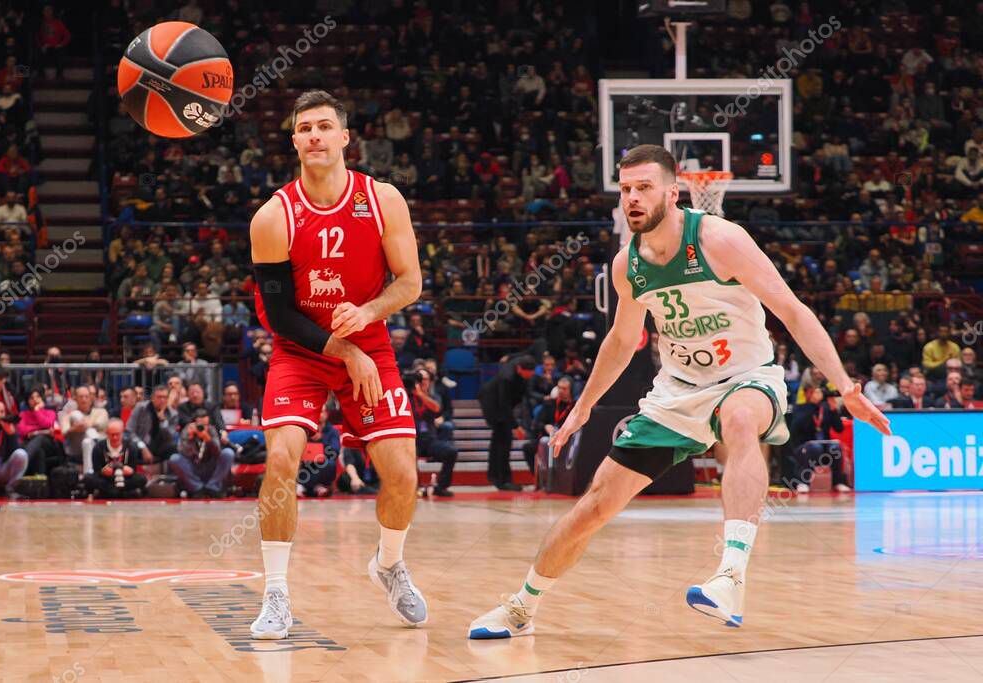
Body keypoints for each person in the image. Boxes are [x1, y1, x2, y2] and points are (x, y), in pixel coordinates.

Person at [468, 144, 890, 638]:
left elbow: (793, 311)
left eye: (644, 187)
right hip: (676, 392)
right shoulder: (628, 265)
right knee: (595, 505)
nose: (632, 198)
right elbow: (623, 340)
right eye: (626, 189)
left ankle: (730, 577)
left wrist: (845, 385)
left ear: (674, 191)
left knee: (737, 422)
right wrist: (582, 407)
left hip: (745, 376)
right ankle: (520, 608)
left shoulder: (721, 240)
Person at [249, 90, 425, 639]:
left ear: (346, 137)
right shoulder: (273, 216)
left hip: (370, 346)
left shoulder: (383, 200)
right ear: (295, 140)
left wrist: (367, 316)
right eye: (305, 129)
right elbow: (279, 316)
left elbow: (411, 284)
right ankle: (276, 593)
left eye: (325, 127)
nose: (316, 137)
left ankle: (389, 564)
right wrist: (343, 349)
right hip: (304, 352)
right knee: (281, 461)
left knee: (401, 473)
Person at [477, 355, 536, 491]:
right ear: (520, 369)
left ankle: (494, 476)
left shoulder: (519, 364)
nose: (531, 375)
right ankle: (503, 481)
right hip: (492, 404)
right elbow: (504, 405)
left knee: (498, 440)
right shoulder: (506, 378)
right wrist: (515, 427)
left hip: (501, 402)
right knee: (504, 440)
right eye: (529, 372)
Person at [790, 387, 849, 493]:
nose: (818, 394)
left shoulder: (826, 409)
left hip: (824, 445)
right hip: (804, 445)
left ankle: (838, 482)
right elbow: (797, 427)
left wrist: (834, 410)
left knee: (835, 447)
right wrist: (811, 407)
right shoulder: (800, 408)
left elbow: (839, 429)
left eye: (819, 392)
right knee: (815, 447)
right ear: (809, 394)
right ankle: (803, 482)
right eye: (815, 392)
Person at [410, 369, 457, 497]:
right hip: (412, 440)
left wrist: (421, 395)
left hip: (429, 439)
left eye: (425, 379)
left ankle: (441, 487)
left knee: (451, 452)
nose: (422, 382)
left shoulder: (434, 396)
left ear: (430, 382)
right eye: (419, 379)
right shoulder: (407, 397)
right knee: (410, 454)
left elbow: (436, 408)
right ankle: (416, 488)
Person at [169, 409, 235, 498]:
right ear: (193, 423)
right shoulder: (187, 431)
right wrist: (190, 438)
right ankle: (197, 488)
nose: (203, 428)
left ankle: (213, 487)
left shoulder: (211, 429)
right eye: (200, 425)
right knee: (175, 459)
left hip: (210, 467)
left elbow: (217, 451)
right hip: (193, 466)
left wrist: (208, 439)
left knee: (228, 453)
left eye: (205, 425)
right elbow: (182, 451)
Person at [522, 377, 576, 475]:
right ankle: (538, 476)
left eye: (564, 389)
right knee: (528, 447)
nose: (561, 391)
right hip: (549, 438)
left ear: (571, 389)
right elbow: (536, 424)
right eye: (559, 388)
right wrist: (545, 426)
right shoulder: (550, 403)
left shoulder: (575, 406)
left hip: (568, 439)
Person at [85, 419, 147, 498]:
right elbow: (96, 470)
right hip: (106, 480)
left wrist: (129, 471)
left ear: (122, 433)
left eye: (117, 434)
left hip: (124, 479)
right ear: (107, 434)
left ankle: (111, 492)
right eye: (112, 434)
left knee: (142, 479)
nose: (115, 437)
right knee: (88, 478)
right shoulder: (99, 447)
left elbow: (133, 469)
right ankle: (121, 492)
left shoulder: (131, 446)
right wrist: (103, 471)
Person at [59, 385, 109, 472]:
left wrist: (87, 424)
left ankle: (88, 474)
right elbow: (63, 432)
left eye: (86, 396)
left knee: (87, 442)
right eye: (81, 397)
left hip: (98, 449)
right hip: (77, 449)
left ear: (91, 398)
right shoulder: (69, 415)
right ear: (75, 399)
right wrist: (74, 429)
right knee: (76, 415)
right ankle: (94, 441)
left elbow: (101, 423)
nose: (84, 399)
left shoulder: (101, 412)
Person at [126, 385, 179, 465]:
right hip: (140, 444)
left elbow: (170, 437)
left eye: (165, 397)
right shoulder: (140, 408)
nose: (162, 400)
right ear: (153, 398)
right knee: (130, 446)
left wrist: (163, 422)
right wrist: (143, 447)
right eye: (159, 397)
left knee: (173, 448)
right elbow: (129, 430)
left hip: (159, 446)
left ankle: (167, 474)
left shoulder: (173, 414)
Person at [17, 387, 64, 475]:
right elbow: (23, 431)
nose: (35, 400)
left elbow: (47, 424)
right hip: (30, 443)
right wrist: (41, 430)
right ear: (27, 401)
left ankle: (21, 461)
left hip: (49, 444)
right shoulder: (22, 415)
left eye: (37, 397)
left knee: (40, 438)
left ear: (42, 398)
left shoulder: (50, 412)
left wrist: (37, 411)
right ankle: (40, 480)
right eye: (31, 398)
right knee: (39, 452)